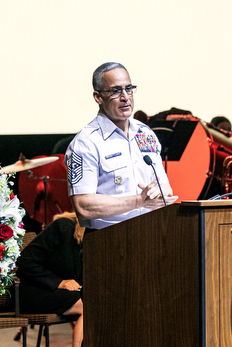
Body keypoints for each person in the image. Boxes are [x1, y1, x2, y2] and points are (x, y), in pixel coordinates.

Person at [67, 62, 176, 230]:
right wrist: (139, 201)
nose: (125, 97)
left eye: (129, 88)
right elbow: (83, 206)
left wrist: (160, 193)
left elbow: (165, 187)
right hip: (108, 241)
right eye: (116, 91)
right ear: (98, 97)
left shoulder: (145, 133)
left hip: (151, 233)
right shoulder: (86, 142)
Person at [17, 212, 84, 347]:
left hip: (64, 294)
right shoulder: (63, 227)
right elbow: (25, 260)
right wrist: (59, 282)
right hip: (34, 290)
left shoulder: (95, 236)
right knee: (88, 308)